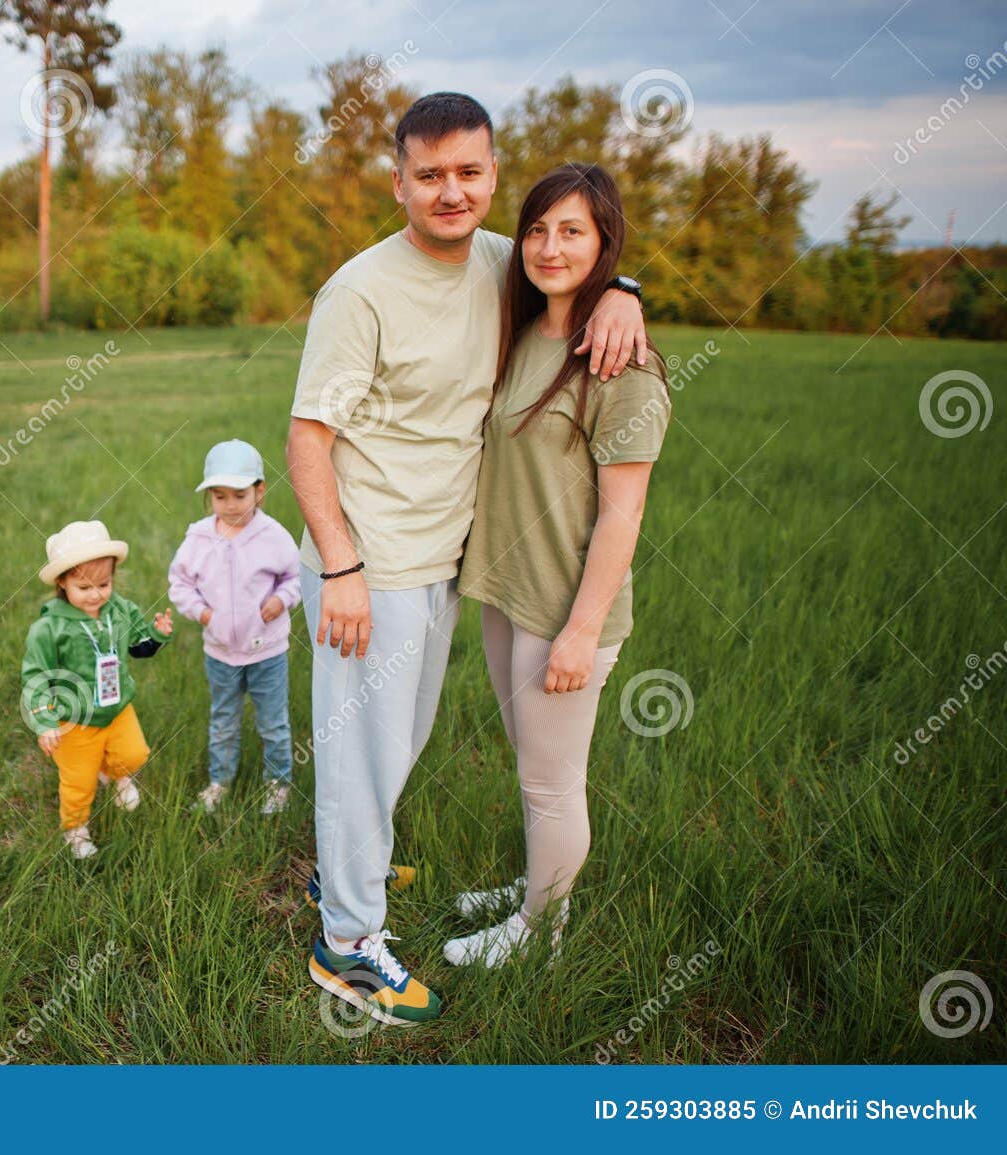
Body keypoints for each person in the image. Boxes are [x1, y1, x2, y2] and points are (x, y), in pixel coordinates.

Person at [286, 92, 648, 1026]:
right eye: (430, 174)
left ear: (492, 174)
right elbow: (307, 439)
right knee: (366, 751)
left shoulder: (502, 264)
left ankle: (346, 866)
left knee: (396, 744)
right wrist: (339, 565)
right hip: (370, 564)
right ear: (398, 180)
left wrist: (624, 293)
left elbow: (578, 266)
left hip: (448, 558)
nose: (452, 191)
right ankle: (350, 946)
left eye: (471, 172)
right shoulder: (360, 289)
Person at [444, 163, 669, 969]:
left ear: (605, 241)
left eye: (573, 230)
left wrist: (581, 631)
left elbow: (624, 512)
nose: (549, 245)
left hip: (567, 610)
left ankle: (542, 937)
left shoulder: (623, 364)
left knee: (551, 781)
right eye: (538, 228)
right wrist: (625, 285)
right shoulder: (526, 326)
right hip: (507, 591)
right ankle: (539, 886)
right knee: (531, 761)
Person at [21, 520, 174, 858]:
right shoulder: (49, 628)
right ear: (63, 583)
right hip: (74, 719)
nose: (96, 595)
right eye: (84, 587)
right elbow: (37, 675)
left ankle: (117, 776)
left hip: (117, 707)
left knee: (134, 754)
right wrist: (44, 721)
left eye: (103, 584)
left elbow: (138, 647)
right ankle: (75, 828)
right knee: (79, 782)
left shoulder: (119, 610)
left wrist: (157, 635)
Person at [167, 440, 301, 816]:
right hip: (221, 653)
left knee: (273, 722)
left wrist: (283, 599)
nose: (229, 505)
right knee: (223, 719)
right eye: (219, 496)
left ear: (260, 490)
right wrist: (204, 614)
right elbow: (179, 583)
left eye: (239, 495)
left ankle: (278, 783)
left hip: (267, 651)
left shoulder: (272, 535)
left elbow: (296, 576)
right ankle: (220, 781)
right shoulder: (199, 538)